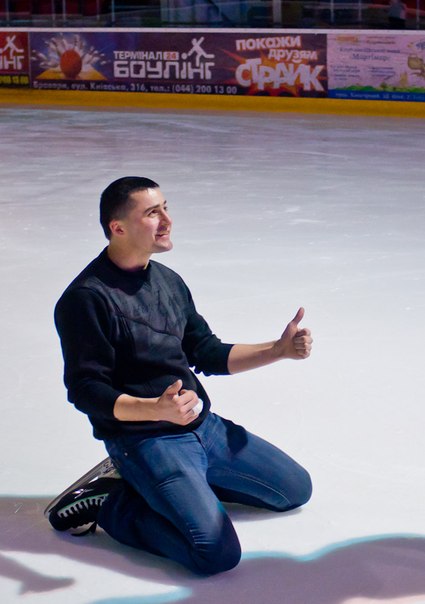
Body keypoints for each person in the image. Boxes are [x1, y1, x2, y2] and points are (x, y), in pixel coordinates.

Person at [45, 176, 313, 575]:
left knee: (294, 489)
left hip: (203, 427)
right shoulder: (86, 299)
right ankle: (111, 503)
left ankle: (175, 488)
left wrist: (277, 350)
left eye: (166, 208)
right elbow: (86, 391)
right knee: (215, 553)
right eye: (153, 213)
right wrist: (155, 409)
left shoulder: (168, 281)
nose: (167, 221)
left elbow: (206, 351)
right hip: (145, 440)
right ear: (118, 227)